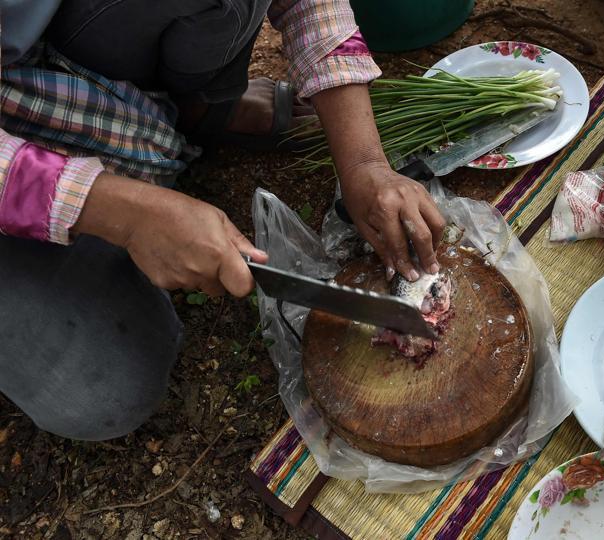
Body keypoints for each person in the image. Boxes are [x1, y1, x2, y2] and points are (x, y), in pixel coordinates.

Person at [0, 0, 446, 441]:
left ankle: (202, 108)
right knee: (102, 393)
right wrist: (118, 212)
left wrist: (364, 162)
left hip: (47, 54)